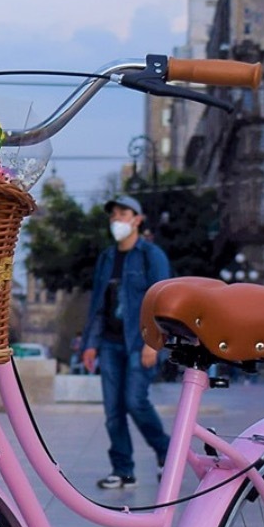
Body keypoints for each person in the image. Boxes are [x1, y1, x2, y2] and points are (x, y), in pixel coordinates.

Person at [80, 192, 172, 490]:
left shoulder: (151, 256)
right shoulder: (107, 258)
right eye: (113, 214)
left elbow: (163, 301)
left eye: (123, 213)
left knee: (135, 401)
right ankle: (123, 470)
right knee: (113, 410)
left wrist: (153, 342)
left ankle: (166, 453)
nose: (116, 219)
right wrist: (90, 344)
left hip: (139, 342)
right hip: (109, 343)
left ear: (137, 220)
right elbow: (98, 304)